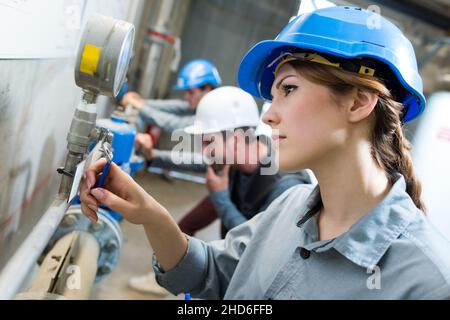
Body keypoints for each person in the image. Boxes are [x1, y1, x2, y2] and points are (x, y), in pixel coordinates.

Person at [80, 7, 450, 299]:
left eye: (288, 89)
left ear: (358, 102)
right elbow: (212, 275)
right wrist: (152, 215)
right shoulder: (287, 208)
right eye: (271, 96)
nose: (268, 114)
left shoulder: (428, 282)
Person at [128, 86, 311, 294]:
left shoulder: (286, 188)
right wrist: (153, 156)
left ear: (235, 139)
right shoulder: (240, 157)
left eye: (208, 142)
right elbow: (198, 162)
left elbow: (257, 248)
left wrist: (221, 197)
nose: (204, 150)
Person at [121, 59, 221, 134]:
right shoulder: (202, 106)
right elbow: (176, 106)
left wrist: (140, 107)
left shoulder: (215, 115)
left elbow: (176, 124)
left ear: (207, 89)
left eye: (190, 92)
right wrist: (142, 102)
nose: (186, 97)